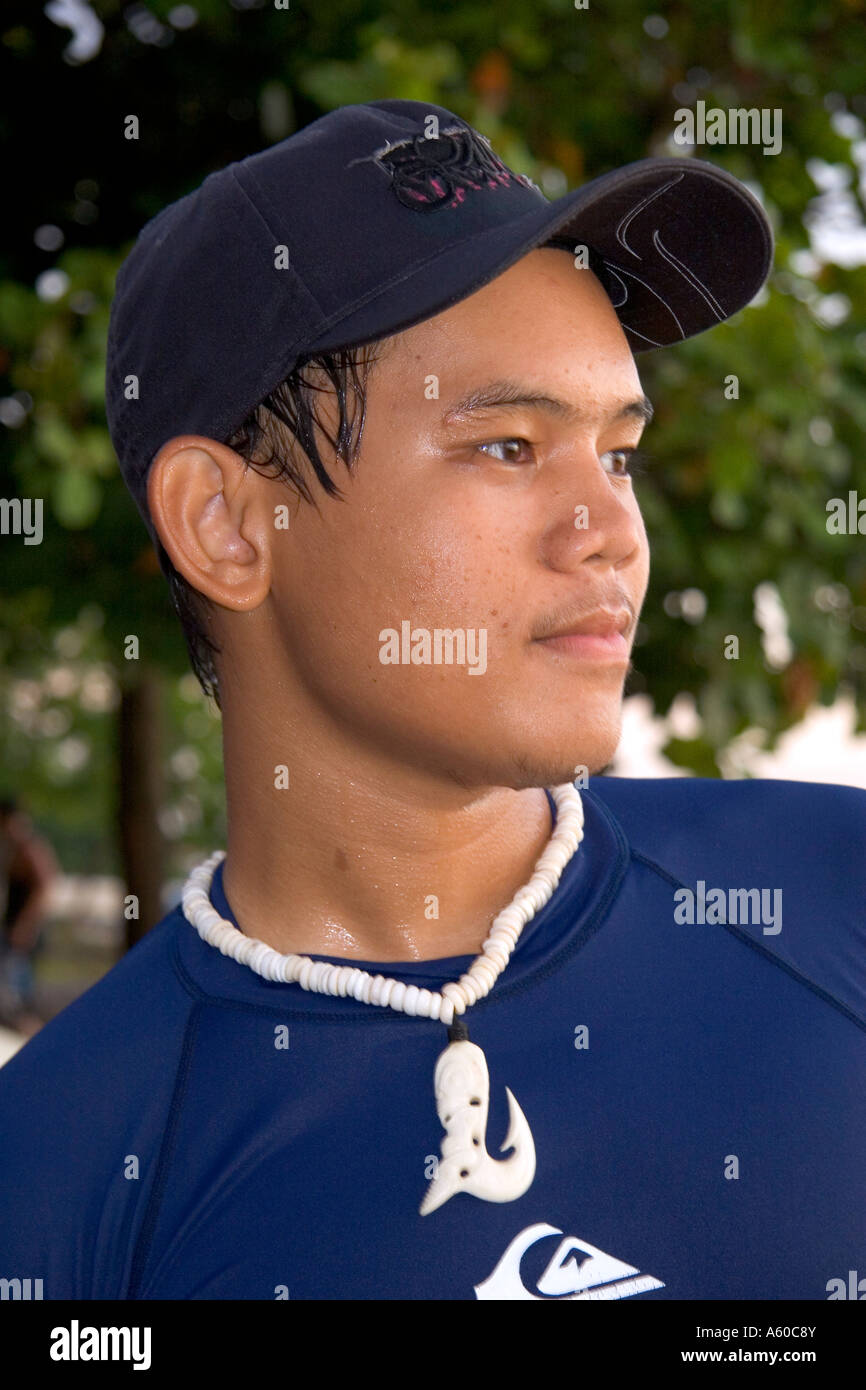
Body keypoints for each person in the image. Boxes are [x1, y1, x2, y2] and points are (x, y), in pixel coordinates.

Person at [0, 100, 863, 1302]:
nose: (612, 532)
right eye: (507, 445)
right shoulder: (56, 1177)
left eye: (617, 452)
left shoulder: (833, 893)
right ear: (228, 524)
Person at [0, 798, 57, 1035]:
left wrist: (24, 926)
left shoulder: (29, 848)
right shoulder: (17, 848)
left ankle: (35, 1041)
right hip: (16, 931)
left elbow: (44, 888)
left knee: (16, 1000)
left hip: (23, 934)